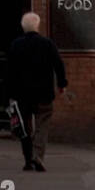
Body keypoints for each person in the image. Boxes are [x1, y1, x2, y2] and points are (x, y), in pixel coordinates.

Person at [7, 11, 67, 172]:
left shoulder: (15, 45)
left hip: (21, 95)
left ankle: (28, 160)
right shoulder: (47, 44)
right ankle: (37, 156)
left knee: (25, 128)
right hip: (43, 94)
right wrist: (62, 84)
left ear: (23, 27)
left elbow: (9, 71)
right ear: (38, 26)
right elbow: (58, 65)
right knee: (42, 125)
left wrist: (10, 93)